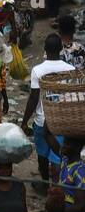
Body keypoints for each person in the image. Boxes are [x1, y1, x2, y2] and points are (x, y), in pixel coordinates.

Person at [23, 33, 74, 179]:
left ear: (45, 48)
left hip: (41, 120)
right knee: (57, 156)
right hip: (61, 121)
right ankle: (58, 186)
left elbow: (33, 98)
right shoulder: (70, 69)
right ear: (60, 48)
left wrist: (24, 121)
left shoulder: (37, 70)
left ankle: (46, 184)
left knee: (42, 154)